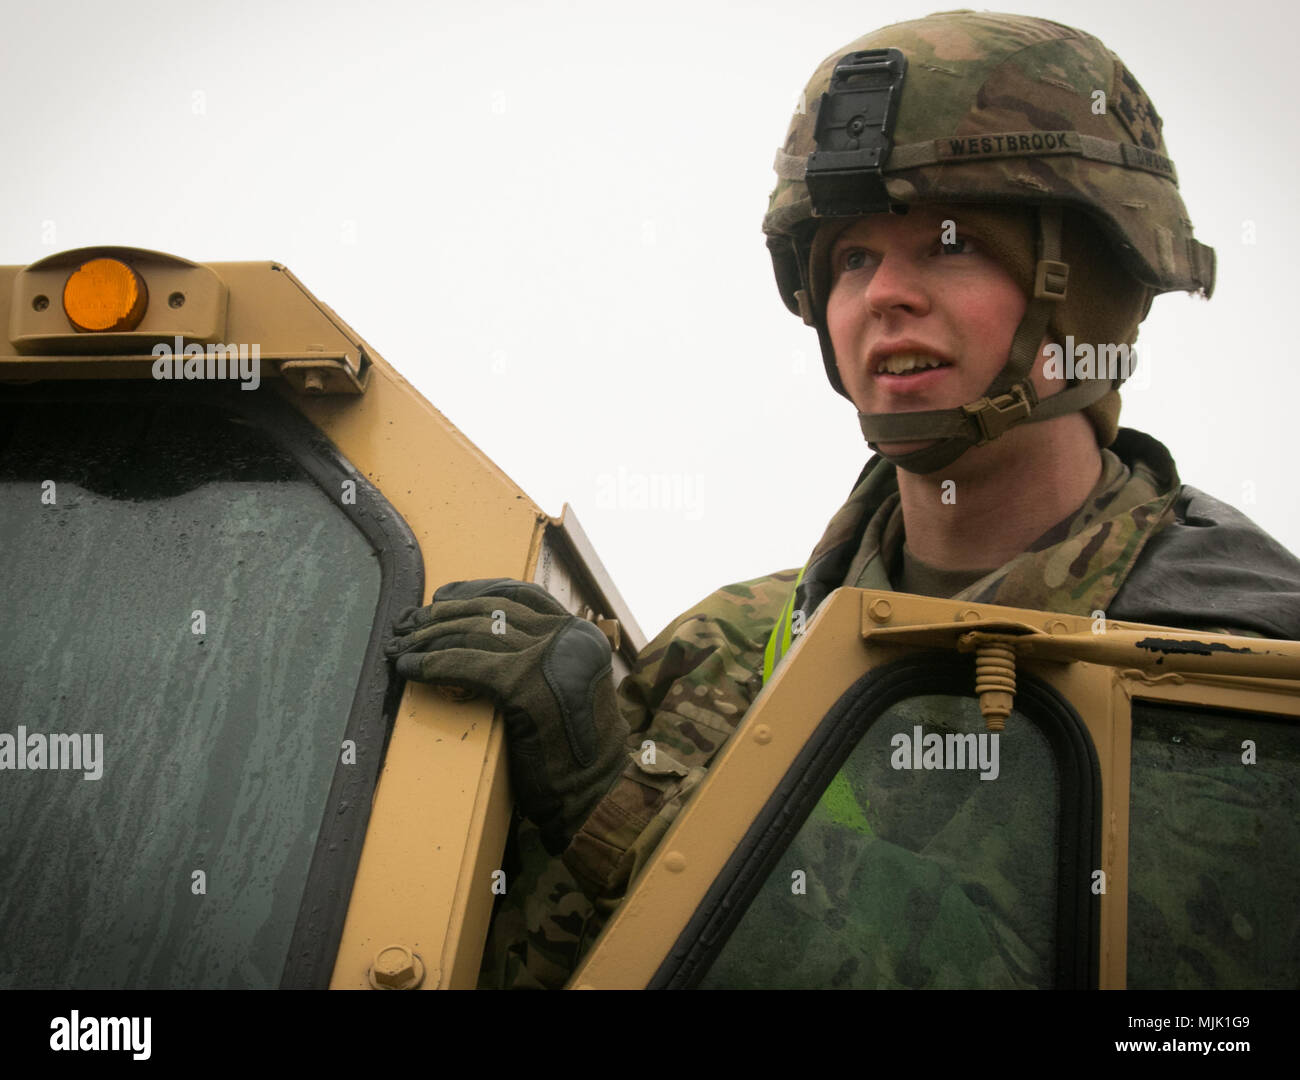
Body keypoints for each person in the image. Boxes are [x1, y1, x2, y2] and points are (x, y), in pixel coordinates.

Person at [387, 10, 1300, 988]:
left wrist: (621, 799)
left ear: (1083, 297)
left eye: (949, 247)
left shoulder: (1231, 674)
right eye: (851, 259)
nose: (882, 297)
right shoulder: (729, 651)